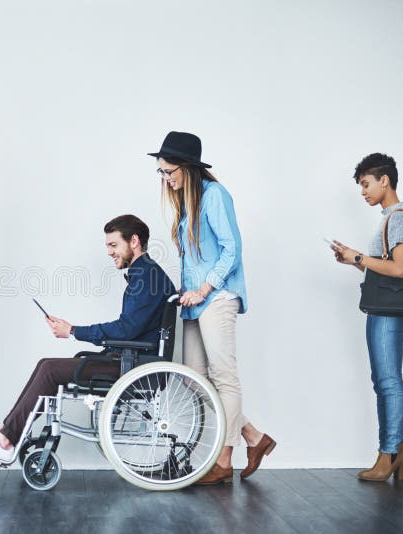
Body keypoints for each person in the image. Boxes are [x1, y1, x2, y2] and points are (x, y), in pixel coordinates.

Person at [0, 214, 176, 461]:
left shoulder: (147, 278)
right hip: (130, 360)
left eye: (114, 245)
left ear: (134, 241)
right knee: (45, 365)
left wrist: (73, 331)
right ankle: (7, 435)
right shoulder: (146, 274)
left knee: (49, 369)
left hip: (133, 366)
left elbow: (126, 330)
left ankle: (5, 439)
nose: (110, 252)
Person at [148, 131, 276, 485]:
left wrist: (203, 288)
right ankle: (253, 437)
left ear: (187, 168)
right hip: (195, 301)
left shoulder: (215, 195)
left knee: (223, 377)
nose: (165, 178)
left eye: (168, 171)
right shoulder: (186, 203)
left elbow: (231, 249)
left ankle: (223, 461)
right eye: (160, 172)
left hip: (217, 298)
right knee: (195, 379)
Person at [330, 153, 403, 481]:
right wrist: (354, 260)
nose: (363, 191)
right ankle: (394, 451)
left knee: (389, 381)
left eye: (366, 184)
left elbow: (398, 268)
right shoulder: (389, 218)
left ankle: (390, 453)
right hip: (382, 308)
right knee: (383, 381)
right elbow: (385, 265)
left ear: (385, 180)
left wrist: (359, 256)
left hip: (388, 311)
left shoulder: (398, 217)